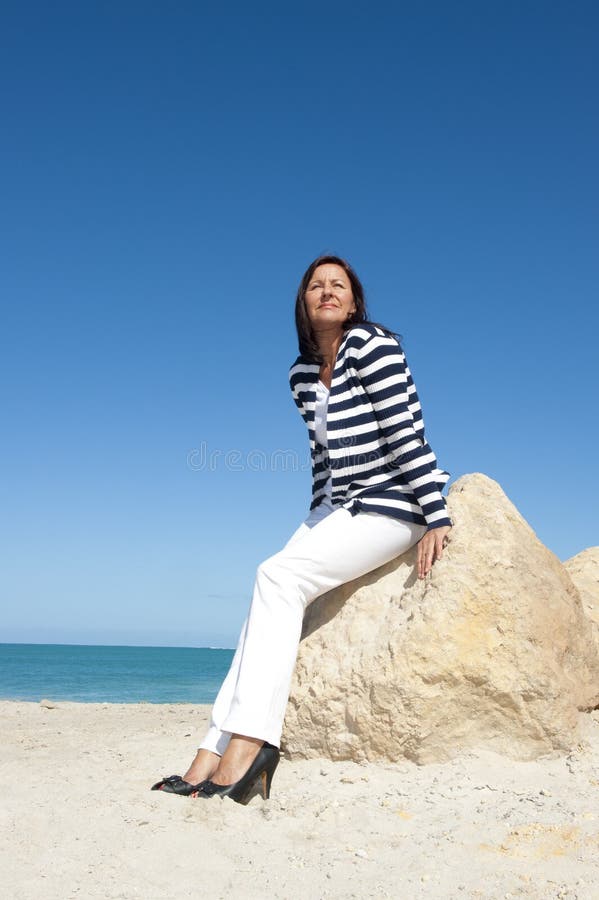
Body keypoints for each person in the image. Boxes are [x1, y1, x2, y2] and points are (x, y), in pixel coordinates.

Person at [151, 255, 452, 804]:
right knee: (264, 595)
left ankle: (251, 747)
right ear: (304, 303)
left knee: (277, 576)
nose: (328, 291)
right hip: (339, 507)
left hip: (393, 502)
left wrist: (436, 512)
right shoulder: (300, 375)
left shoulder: (374, 346)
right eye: (317, 285)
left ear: (354, 301)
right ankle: (207, 752)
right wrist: (313, 522)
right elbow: (323, 462)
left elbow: (406, 432)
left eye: (339, 285)